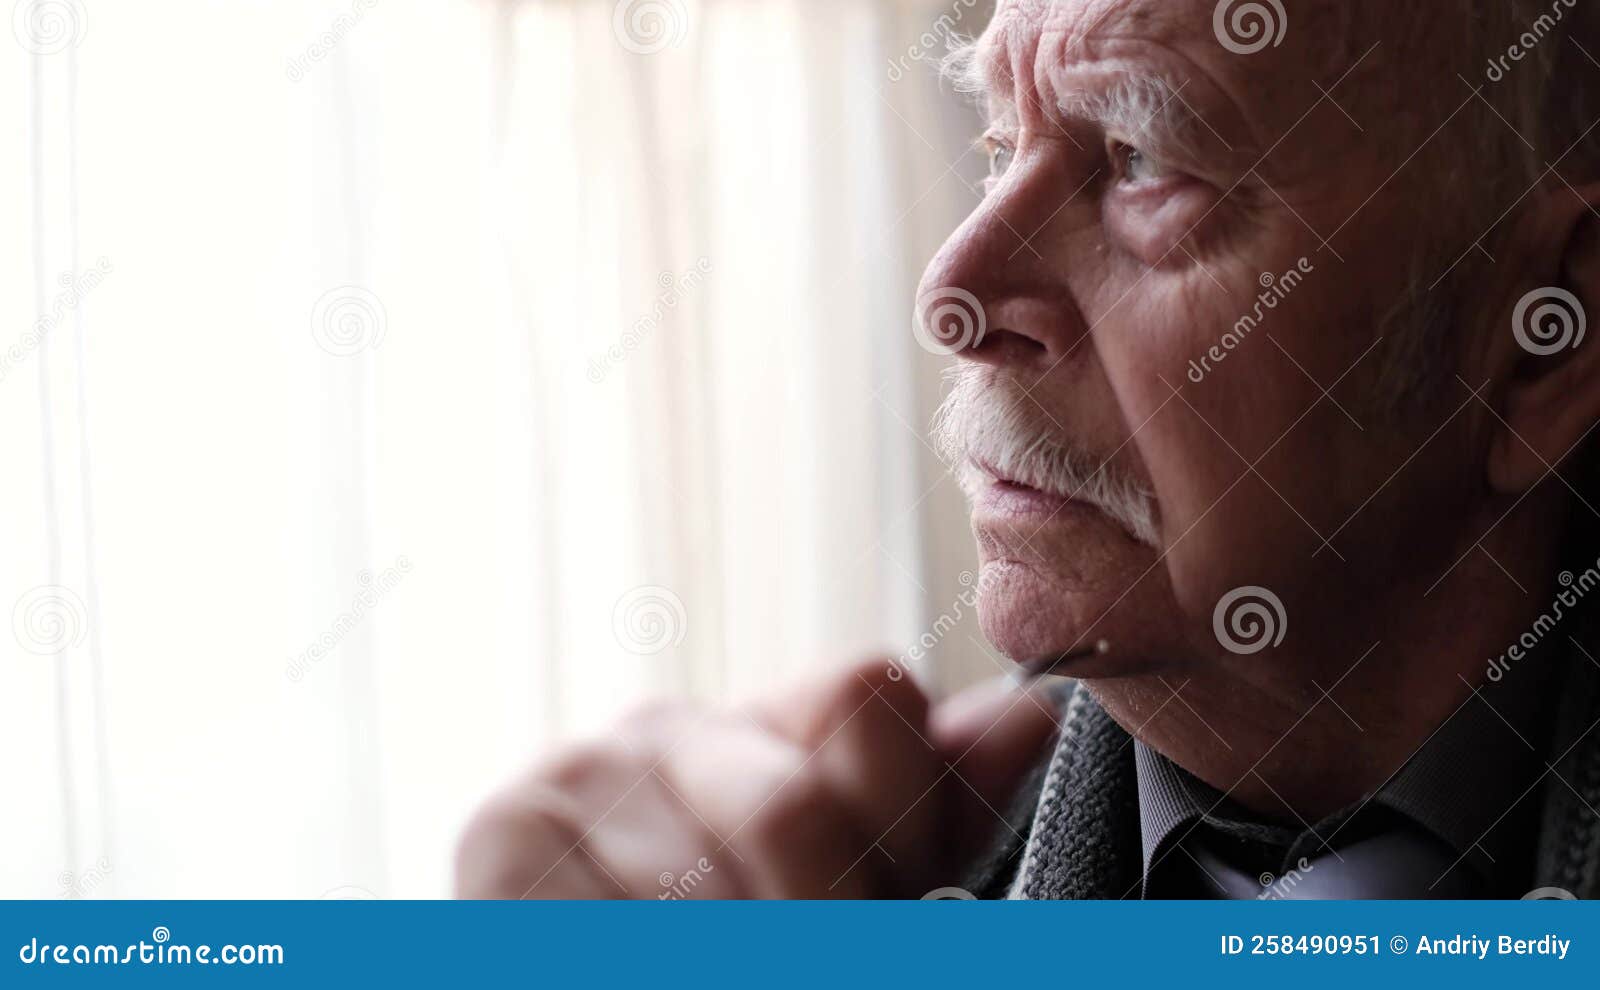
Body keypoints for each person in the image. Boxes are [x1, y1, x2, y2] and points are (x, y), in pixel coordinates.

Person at [456, 0, 1600, 899]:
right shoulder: (866, 889)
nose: (952, 295)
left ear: (1546, 336)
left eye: (1147, 158)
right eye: (1001, 144)